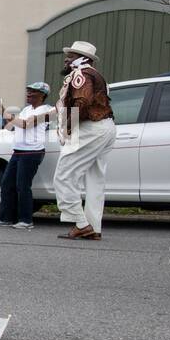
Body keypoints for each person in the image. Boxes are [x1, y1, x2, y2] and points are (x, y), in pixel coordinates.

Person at [53, 40, 115, 240]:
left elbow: (82, 102)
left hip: (89, 128)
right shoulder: (97, 75)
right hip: (105, 127)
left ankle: (81, 224)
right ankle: (94, 227)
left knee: (64, 176)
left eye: (71, 56)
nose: (66, 59)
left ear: (82, 59)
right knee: (95, 179)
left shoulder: (81, 74)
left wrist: (69, 128)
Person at [0, 81, 54, 231]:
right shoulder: (26, 109)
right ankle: (6, 218)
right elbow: (16, 124)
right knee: (6, 184)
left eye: (33, 92)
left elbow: (26, 124)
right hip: (18, 151)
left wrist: (5, 113)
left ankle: (26, 220)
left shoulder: (47, 111)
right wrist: (3, 111)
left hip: (32, 152)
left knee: (22, 186)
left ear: (42, 95)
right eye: (28, 91)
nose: (29, 94)